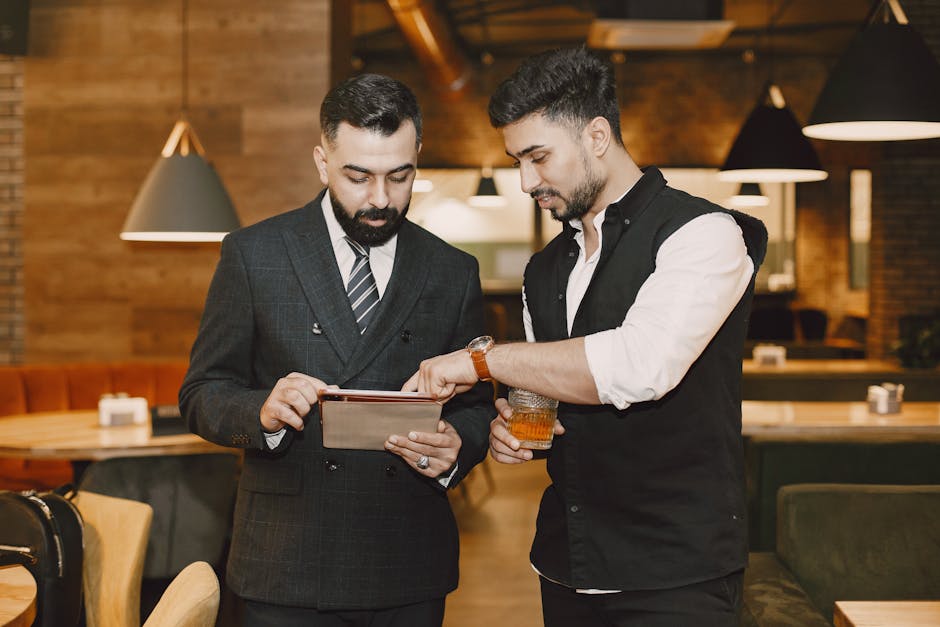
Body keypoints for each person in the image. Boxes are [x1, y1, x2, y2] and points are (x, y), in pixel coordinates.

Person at [404, 47, 768, 626]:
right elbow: (541, 402)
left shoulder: (704, 233)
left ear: (597, 136)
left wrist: (482, 362)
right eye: (516, 161)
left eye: (538, 157)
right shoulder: (543, 270)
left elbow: (639, 366)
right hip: (566, 566)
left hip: (676, 575)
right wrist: (520, 432)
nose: (526, 180)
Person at [179, 73, 493, 627]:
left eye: (400, 176)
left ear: (418, 156)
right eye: (358, 176)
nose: (380, 199)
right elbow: (203, 393)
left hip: (407, 562)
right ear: (322, 163)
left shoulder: (453, 271)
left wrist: (456, 448)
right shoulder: (254, 255)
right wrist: (262, 411)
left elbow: (477, 405)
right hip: (288, 563)